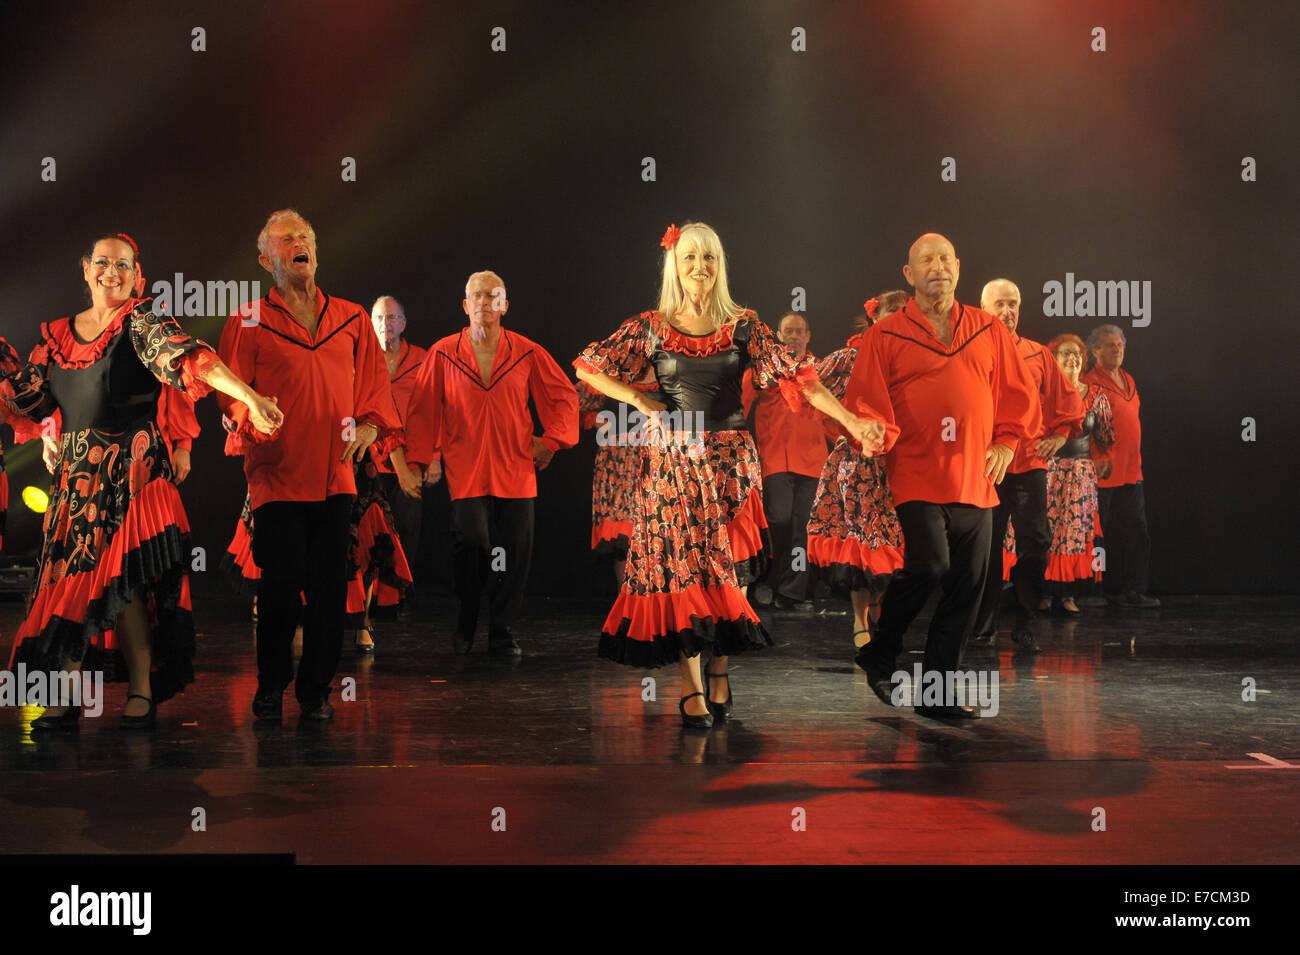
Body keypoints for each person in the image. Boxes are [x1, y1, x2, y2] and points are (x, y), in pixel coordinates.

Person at [574, 222, 884, 729]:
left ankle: (719, 671)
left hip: (731, 465)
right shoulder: (651, 327)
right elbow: (588, 365)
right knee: (681, 573)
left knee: (728, 573)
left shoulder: (744, 326)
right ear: (674, 265)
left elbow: (800, 377)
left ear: (720, 265)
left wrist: (850, 421)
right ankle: (692, 687)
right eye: (690, 257)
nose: (699, 267)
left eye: (709, 257)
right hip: (674, 464)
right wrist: (639, 400)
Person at [0, 233, 281, 731]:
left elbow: (190, 358)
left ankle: (142, 688)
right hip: (76, 482)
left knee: (123, 583)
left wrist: (249, 397)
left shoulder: (142, 321)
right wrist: (42, 426)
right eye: (102, 263)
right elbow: (30, 399)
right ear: (85, 269)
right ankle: (66, 695)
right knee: (69, 581)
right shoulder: (56, 337)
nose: (111, 272)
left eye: (123, 265)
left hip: (132, 475)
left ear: (137, 276)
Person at [217, 209, 404, 723]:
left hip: (335, 474)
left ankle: (316, 690)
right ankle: (271, 685)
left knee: (329, 587)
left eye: (304, 237)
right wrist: (249, 411)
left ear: (315, 253)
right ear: (266, 260)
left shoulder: (351, 317)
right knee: (280, 586)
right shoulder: (248, 318)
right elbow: (230, 389)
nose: (298, 243)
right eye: (285, 239)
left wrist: (370, 427)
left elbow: (374, 386)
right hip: (276, 473)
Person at [846, 234, 1039, 720]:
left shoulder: (987, 328)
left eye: (945, 259)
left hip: (976, 475)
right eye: (926, 260)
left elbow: (1018, 392)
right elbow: (864, 398)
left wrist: (1007, 441)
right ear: (909, 274)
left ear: (958, 266)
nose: (937, 267)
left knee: (968, 585)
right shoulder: (886, 334)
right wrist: (872, 429)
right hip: (917, 470)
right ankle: (881, 650)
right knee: (930, 565)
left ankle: (939, 693)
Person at [403, 270, 579, 657]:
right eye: (477, 296)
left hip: (515, 469)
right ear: (465, 306)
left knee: (512, 553)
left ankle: (501, 628)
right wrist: (417, 460)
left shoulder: (526, 351)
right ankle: (467, 615)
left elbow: (564, 396)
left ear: (504, 305)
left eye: (491, 295)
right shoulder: (443, 353)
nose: (484, 301)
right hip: (466, 470)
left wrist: (552, 440)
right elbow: (421, 409)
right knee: (474, 543)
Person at [971, 279, 1085, 651]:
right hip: (986, 465)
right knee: (984, 547)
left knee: (1035, 543)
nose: (1008, 311)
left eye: (1013, 304)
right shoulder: (971, 350)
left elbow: (1069, 401)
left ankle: (1025, 622)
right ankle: (983, 625)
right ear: (983, 308)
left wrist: (1060, 434)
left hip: (1028, 463)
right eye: (1000, 304)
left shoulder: (1037, 354)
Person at [806, 291, 909, 647]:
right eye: (893, 311)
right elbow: (807, 382)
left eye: (906, 311)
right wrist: (844, 425)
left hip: (902, 465)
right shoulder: (851, 357)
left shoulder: (917, 358)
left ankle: (880, 609)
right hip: (858, 464)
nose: (901, 316)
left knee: (894, 543)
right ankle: (860, 619)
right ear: (875, 318)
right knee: (863, 543)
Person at [743, 312, 828, 612]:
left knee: (803, 527)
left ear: (808, 336)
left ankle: (793, 592)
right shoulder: (763, 372)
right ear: (778, 337)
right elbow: (739, 406)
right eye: (788, 331)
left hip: (813, 461)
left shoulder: (820, 371)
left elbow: (834, 410)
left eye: (799, 331)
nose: (793, 336)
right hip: (775, 459)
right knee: (778, 521)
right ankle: (776, 580)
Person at [1081, 324, 1158, 608]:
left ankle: (1135, 590)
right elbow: (1084, 429)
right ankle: (1093, 592)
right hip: (1101, 471)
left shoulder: (1129, 379)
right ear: (1095, 351)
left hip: (1131, 471)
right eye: (1110, 345)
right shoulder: (1088, 383)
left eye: (1120, 344)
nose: (1117, 349)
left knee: (1136, 532)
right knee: (1097, 535)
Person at [369, 295, 428, 613]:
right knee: (373, 529)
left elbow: (435, 410)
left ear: (403, 323)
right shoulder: (362, 360)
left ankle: (399, 596)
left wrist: (435, 457)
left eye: (392, 317)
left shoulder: (422, 359)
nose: (385, 324)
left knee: (406, 528)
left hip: (413, 456)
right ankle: (372, 598)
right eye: (379, 317)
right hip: (372, 457)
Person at [577, 368, 661, 585]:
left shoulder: (670, 362)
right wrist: (606, 425)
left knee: (660, 537)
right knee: (626, 542)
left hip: (661, 458)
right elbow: (575, 401)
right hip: (620, 463)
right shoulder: (614, 366)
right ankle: (628, 600)